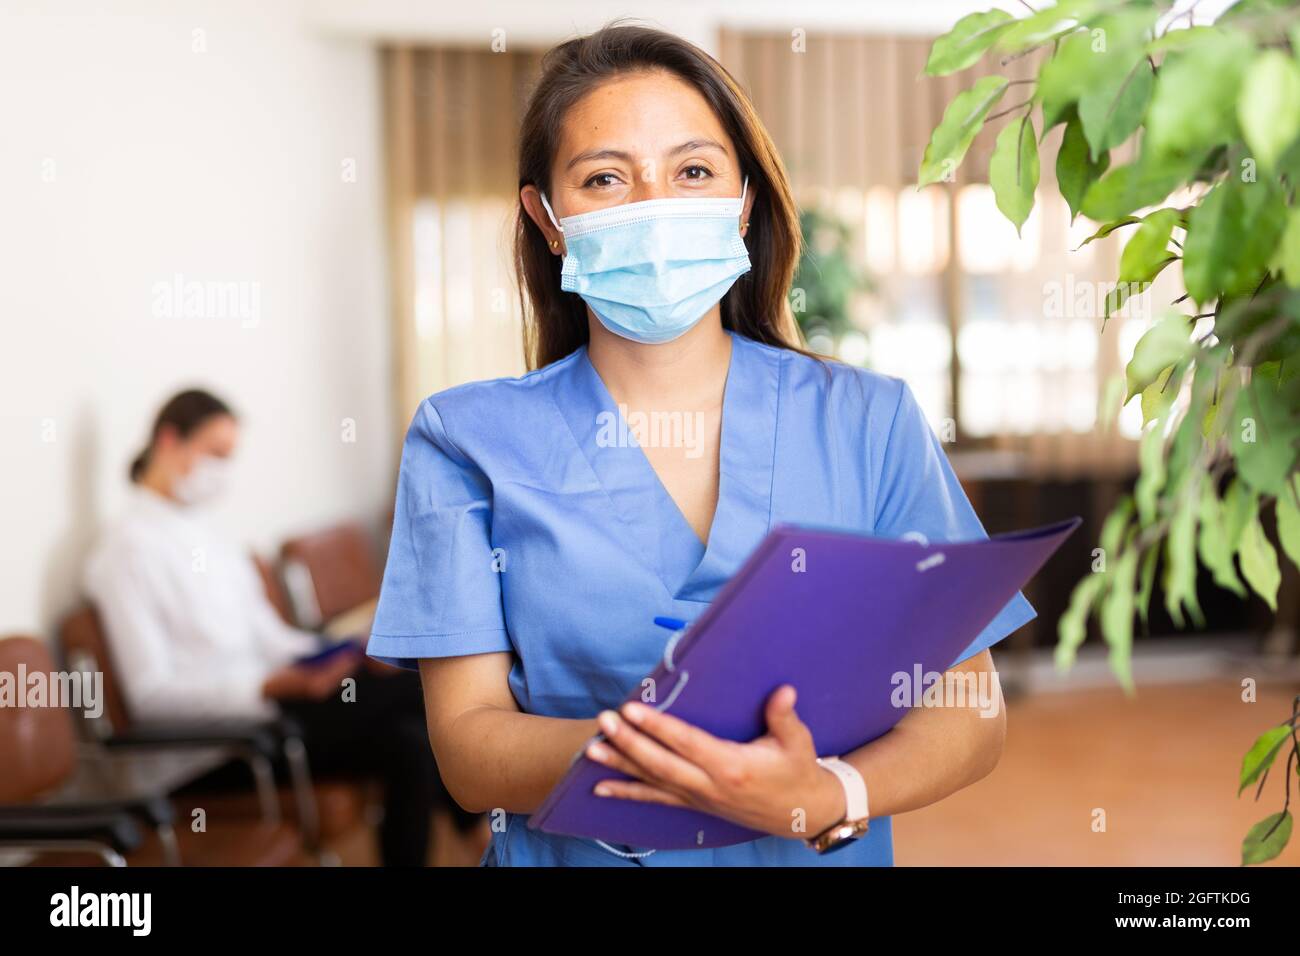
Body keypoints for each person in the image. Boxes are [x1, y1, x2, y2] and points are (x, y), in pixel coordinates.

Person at [367, 24, 1036, 867]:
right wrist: (688, 764)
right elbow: (468, 750)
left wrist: (829, 794)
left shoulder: (870, 420)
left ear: (744, 199)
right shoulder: (465, 440)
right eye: (606, 178)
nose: (656, 207)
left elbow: (968, 711)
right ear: (547, 218)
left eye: (692, 171)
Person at [84, 388, 480, 866]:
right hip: (220, 749)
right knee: (413, 728)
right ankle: (482, 836)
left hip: (272, 709)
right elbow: (152, 696)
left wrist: (341, 649)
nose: (221, 473)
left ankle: (482, 836)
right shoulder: (124, 552)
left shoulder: (205, 535)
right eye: (215, 455)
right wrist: (269, 684)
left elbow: (268, 636)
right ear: (169, 441)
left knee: (412, 691)